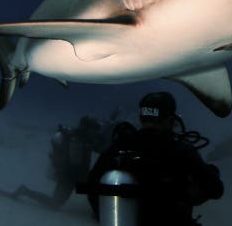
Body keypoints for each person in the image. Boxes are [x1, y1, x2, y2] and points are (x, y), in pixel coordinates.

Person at [84, 92, 224, 226]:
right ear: (171, 120)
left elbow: (92, 184)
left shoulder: (122, 145)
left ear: (141, 118)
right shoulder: (182, 150)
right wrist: (212, 173)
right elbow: (216, 190)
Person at [0, 115, 112, 210]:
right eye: (93, 129)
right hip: (71, 176)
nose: (95, 132)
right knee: (55, 203)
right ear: (88, 128)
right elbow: (101, 149)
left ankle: (24, 191)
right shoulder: (82, 139)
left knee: (58, 201)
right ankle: (25, 191)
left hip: (69, 174)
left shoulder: (73, 134)